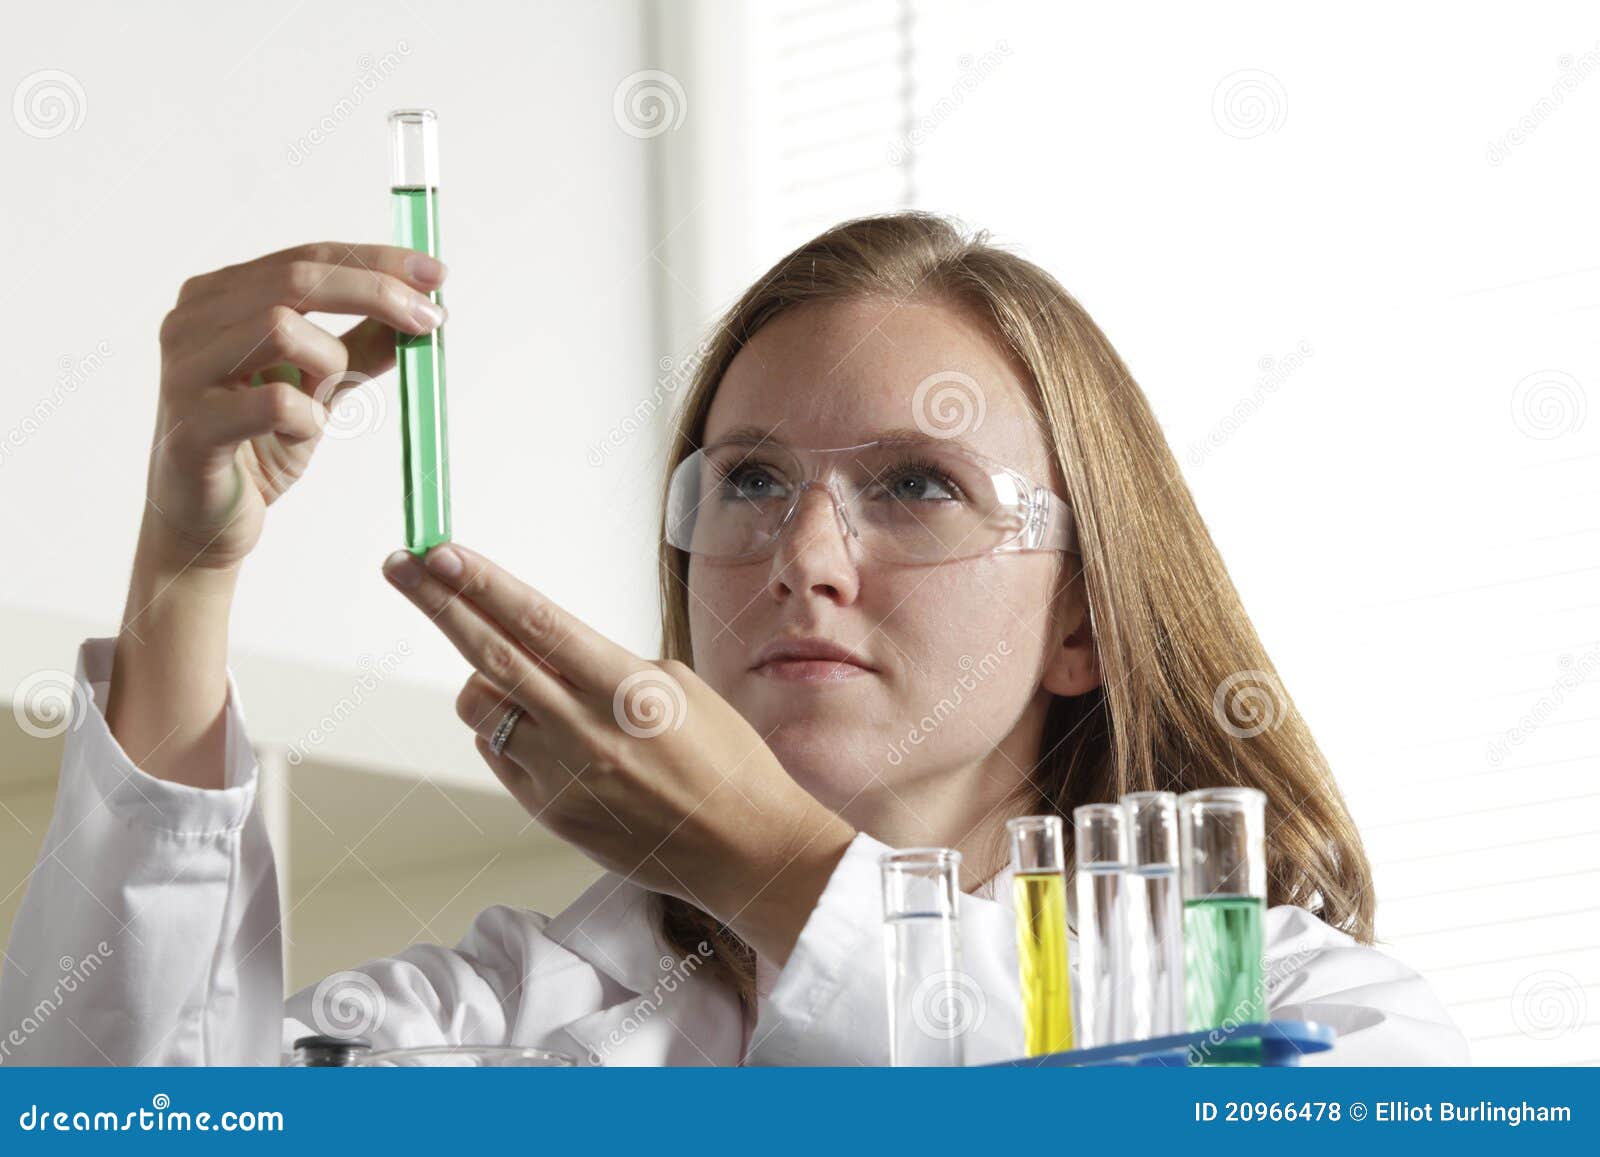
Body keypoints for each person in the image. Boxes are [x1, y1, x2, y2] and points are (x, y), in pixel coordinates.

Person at [0, 212, 1469, 1067]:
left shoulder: (1302, 1017)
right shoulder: (503, 1022)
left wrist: (779, 869)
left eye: (915, 484)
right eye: (753, 480)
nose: (803, 557)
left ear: (1083, 617)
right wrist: (187, 576)